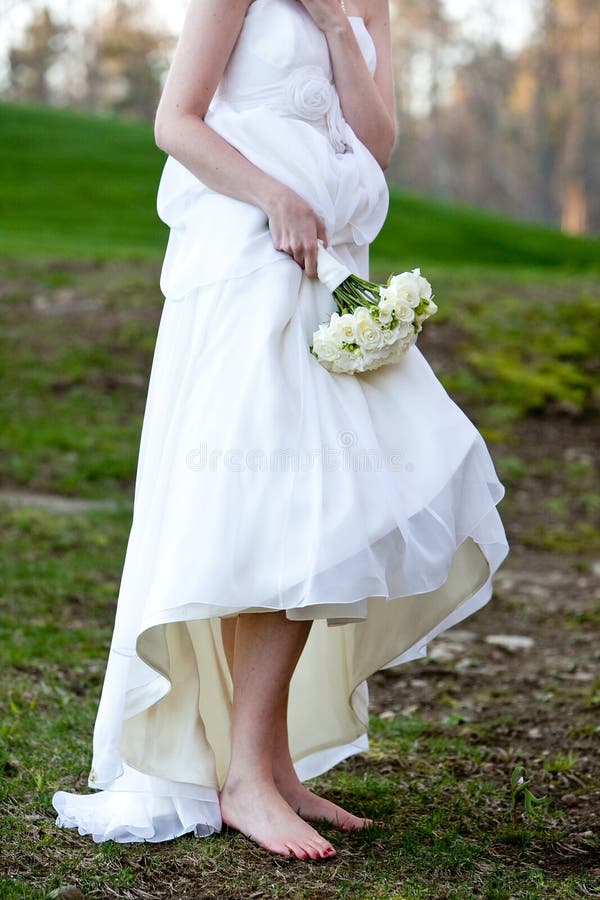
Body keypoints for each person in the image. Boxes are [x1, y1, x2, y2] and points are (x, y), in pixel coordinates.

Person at [52, 0, 509, 862]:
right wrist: (273, 196)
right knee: (279, 500)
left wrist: (340, 24)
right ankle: (244, 781)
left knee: (310, 505)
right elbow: (174, 122)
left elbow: (375, 140)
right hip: (249, 251)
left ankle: (268, 763)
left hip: (328, 257)